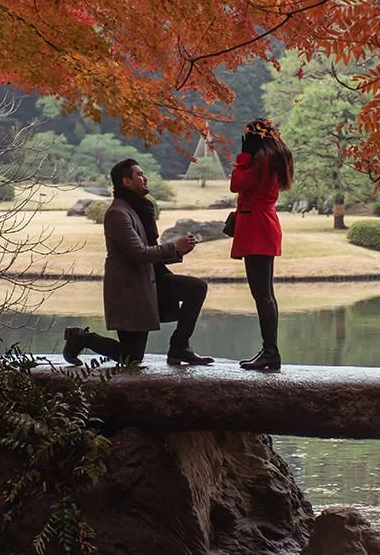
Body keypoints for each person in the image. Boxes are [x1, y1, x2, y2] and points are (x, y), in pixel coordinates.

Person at [63, 158, 215, 367]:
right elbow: (138, 253)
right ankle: (81, 338)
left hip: (152, 280)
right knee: (131, 357)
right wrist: (173, 247)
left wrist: (178, 251)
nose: (145, 178)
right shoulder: (117, 213)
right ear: (126, 182)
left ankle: (180, 347)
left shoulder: (139, 209)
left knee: (196, 288)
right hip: (132, 290)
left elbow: (148, 249)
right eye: (139, 175)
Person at [230, 118, 293, 371]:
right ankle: (270, 350)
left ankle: (270, 351)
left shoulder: (262, 161)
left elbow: (237, 183)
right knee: (265, 294)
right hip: (263, 224)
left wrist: (243, 156)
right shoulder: (275, 158)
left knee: (262, 295)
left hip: (256, 226)